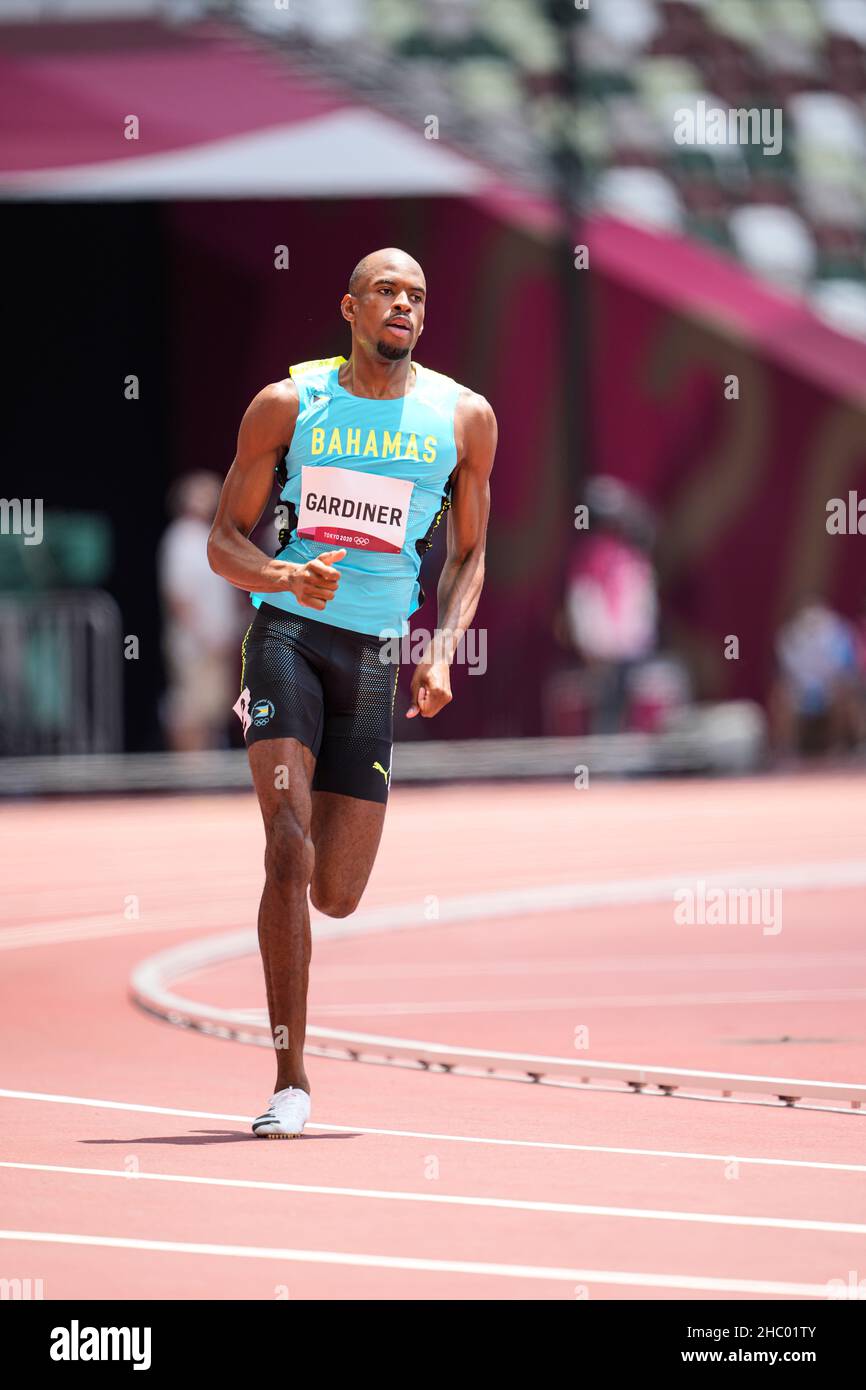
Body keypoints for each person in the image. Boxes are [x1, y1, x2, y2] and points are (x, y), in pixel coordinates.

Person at [207, 248, 497, 1137]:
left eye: (417, 293)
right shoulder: (290, 405)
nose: (404, 304)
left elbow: (472, 552)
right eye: (386, 291)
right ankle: (291, 1080)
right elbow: (224, 542)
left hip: (374, 656)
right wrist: (284, 581)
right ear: (349, 308)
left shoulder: (462, 417)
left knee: (334, 891)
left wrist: (443, 650)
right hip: (289, 636)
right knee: (285, 847)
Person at [158, 471, 245, 752]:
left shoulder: (209, 537)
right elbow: (178, 595)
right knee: (190, 709)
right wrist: (202, 634)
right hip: (195, 643)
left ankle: (203, 774)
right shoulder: (181, 538)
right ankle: (189, 774)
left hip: (216, 641)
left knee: (211, 711)